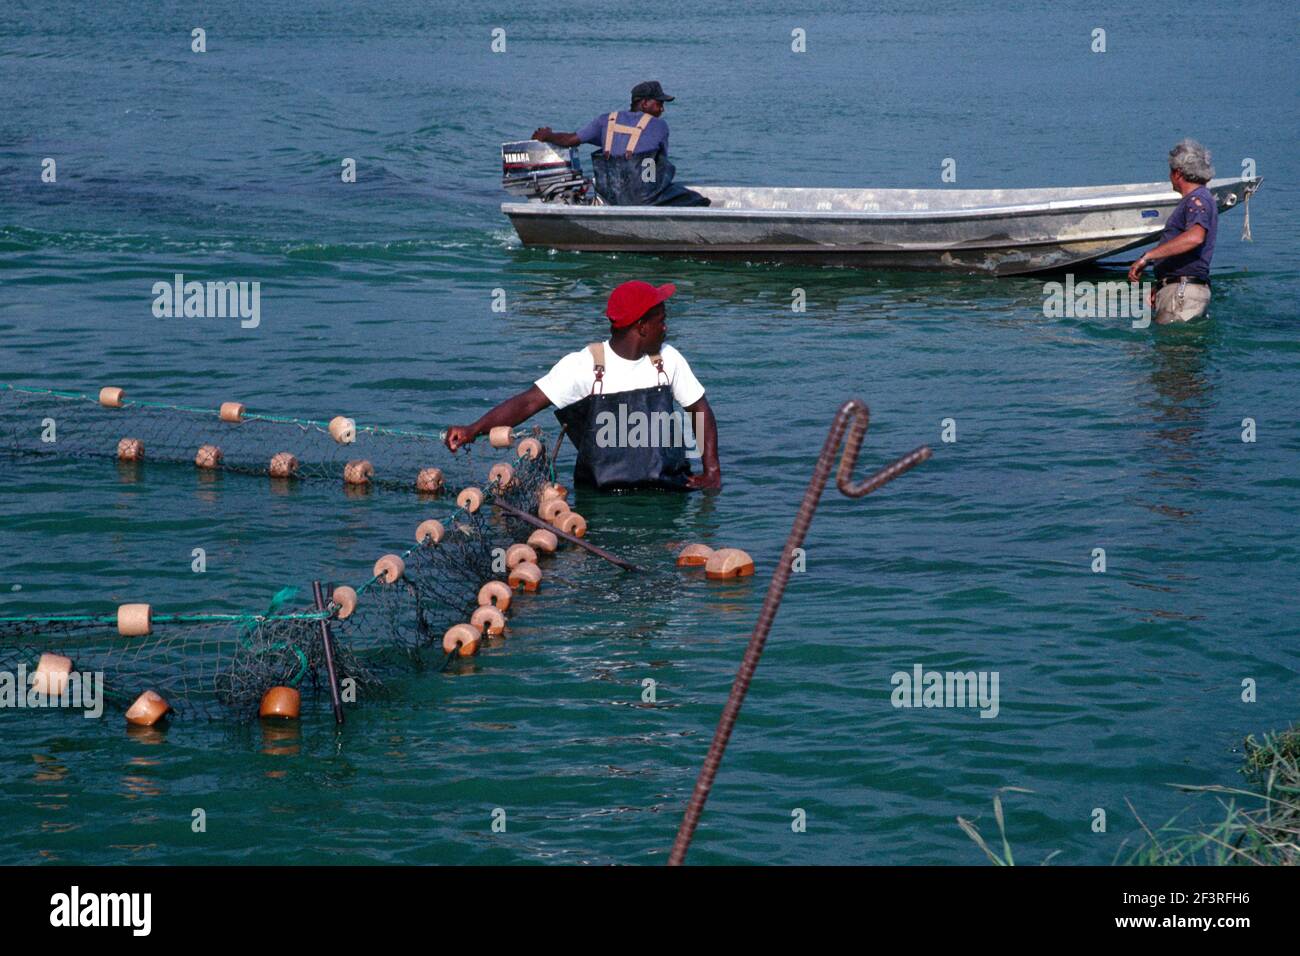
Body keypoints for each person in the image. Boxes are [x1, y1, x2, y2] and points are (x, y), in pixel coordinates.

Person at [445, 280, 721, 491]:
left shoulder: (668, 359)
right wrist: (473, 429)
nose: (665, 328)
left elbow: (699, 409)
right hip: (602, 497)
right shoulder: (584, 365)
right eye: (661, 321)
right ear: (642, 326)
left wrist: (711, 472)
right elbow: (528, 402)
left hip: (667, 491)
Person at [532, 81, 711, 207]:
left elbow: (570, 140)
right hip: (647, 198)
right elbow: (659, 163)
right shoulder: (659, 125)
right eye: (659, 104)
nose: (662, 109)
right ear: (644, 103)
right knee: (699, 200)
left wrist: (547, 135)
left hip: (611, 198)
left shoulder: (606, 121)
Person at [1128, 139, 1219, 323]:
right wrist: (1162, 285)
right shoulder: (1200, 199)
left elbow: (1195, 237)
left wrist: (1148, 256)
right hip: (1181, 289)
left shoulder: (1196, 200)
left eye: (1170, 171)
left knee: (1174, 350)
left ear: (1178, 173)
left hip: (1183, 291)